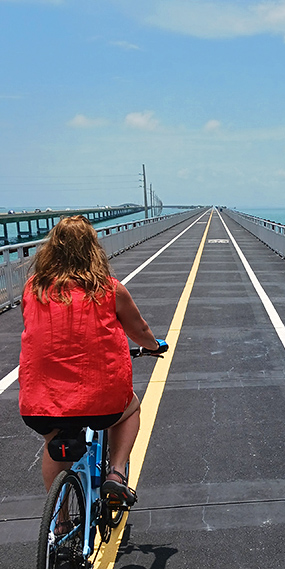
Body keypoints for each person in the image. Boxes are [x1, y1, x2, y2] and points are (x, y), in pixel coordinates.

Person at [19, 215, 167, 502]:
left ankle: (59, 523)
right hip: (101, 401)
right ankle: (116, 473)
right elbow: (141, 331)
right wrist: (154, 346)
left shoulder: (33, 288)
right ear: (93, 249)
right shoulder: (109, 289)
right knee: (131, 409)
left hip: (41, 401)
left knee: (54, 444)